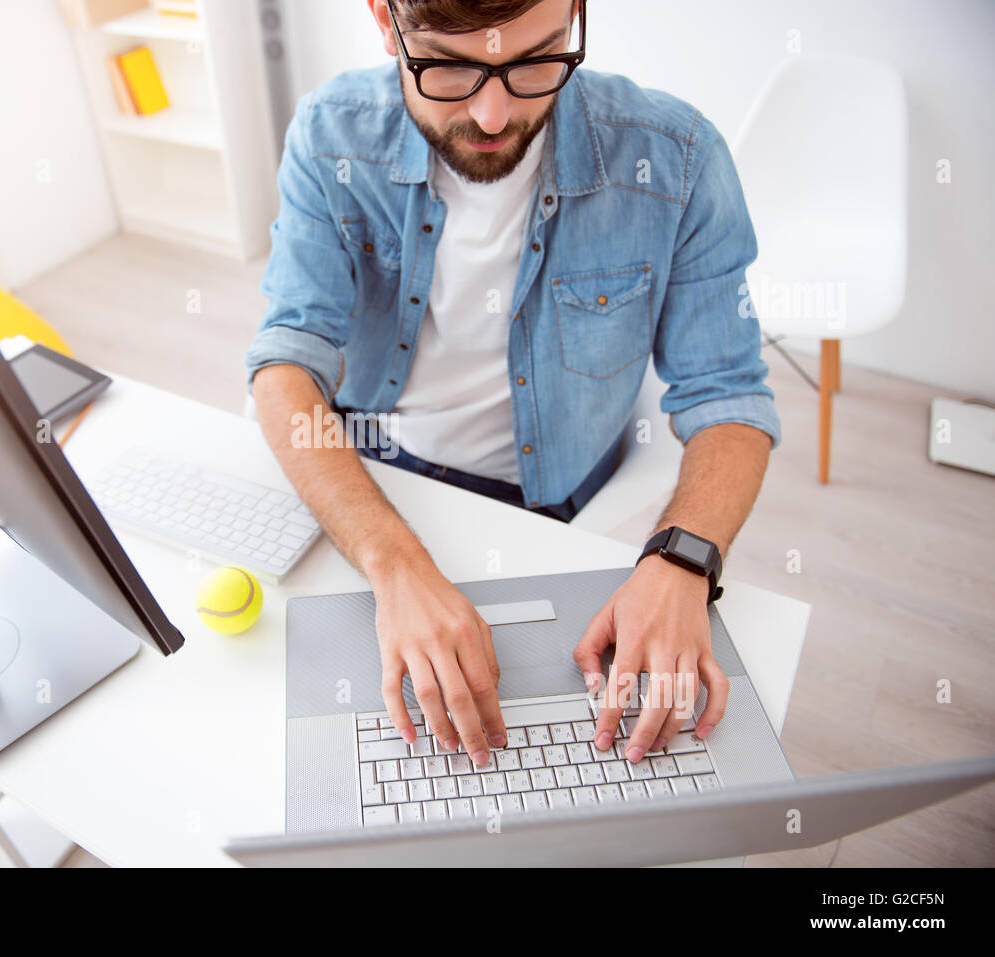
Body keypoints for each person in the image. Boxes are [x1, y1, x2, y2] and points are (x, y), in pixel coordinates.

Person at [243, 0, 779, 772]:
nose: (494, 113)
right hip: (378, 483)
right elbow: (286, 365)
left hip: (557, 501)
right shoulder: (330, 137)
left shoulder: (676, 157)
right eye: (449, 66)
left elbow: (728, 393)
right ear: (385, 21)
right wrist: (394, 566)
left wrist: (682, 561)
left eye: (538, 59)